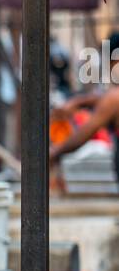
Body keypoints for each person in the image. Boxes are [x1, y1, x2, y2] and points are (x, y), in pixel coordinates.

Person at [49, 31, 119, 185]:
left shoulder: (113, 98)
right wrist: (79, 102)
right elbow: (103, 98)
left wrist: (54, 153)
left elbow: (84, 134)